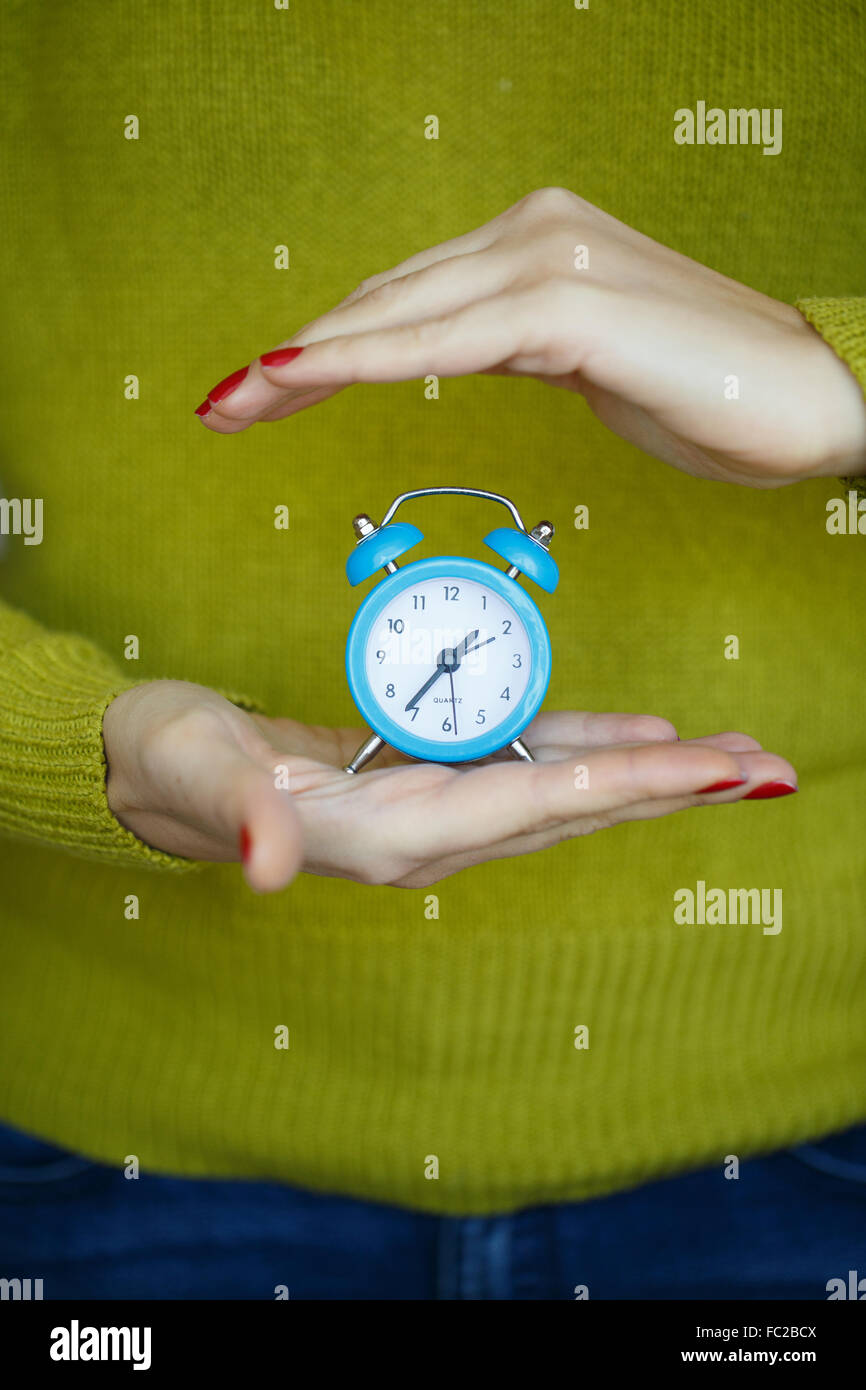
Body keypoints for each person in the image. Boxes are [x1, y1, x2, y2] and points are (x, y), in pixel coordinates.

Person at [1, 0, 864, 1299]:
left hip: (808, 1101)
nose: (455, 673)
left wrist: (839, 378)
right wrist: (82, 739)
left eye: (462, 663)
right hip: (113, 1132)